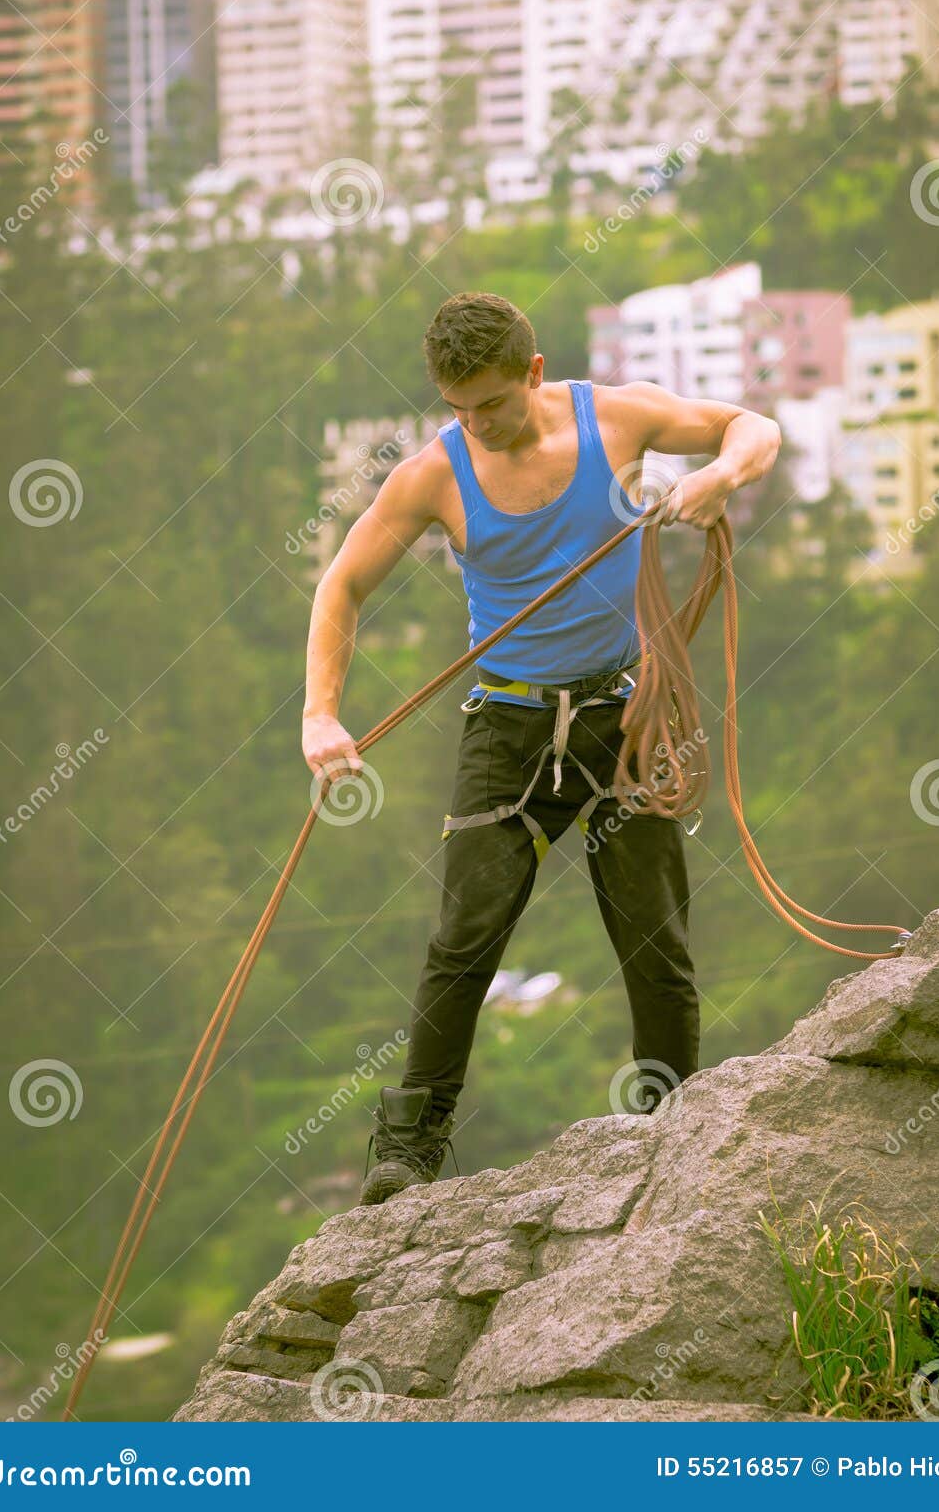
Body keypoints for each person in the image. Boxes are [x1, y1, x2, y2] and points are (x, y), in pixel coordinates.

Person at [302, 292, 781, 1204]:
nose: (476, 424)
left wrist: (719, 477)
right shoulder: (433, 475)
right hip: (508, 726)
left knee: (657, 942)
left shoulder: (619, 418)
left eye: (491, 403)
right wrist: (320, 716)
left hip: (622, 716)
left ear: (532, 371)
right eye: (457, 408)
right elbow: (342, 584)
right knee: (464, 938)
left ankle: (669, 1131)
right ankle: (407, 1152)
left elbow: (751, 426)